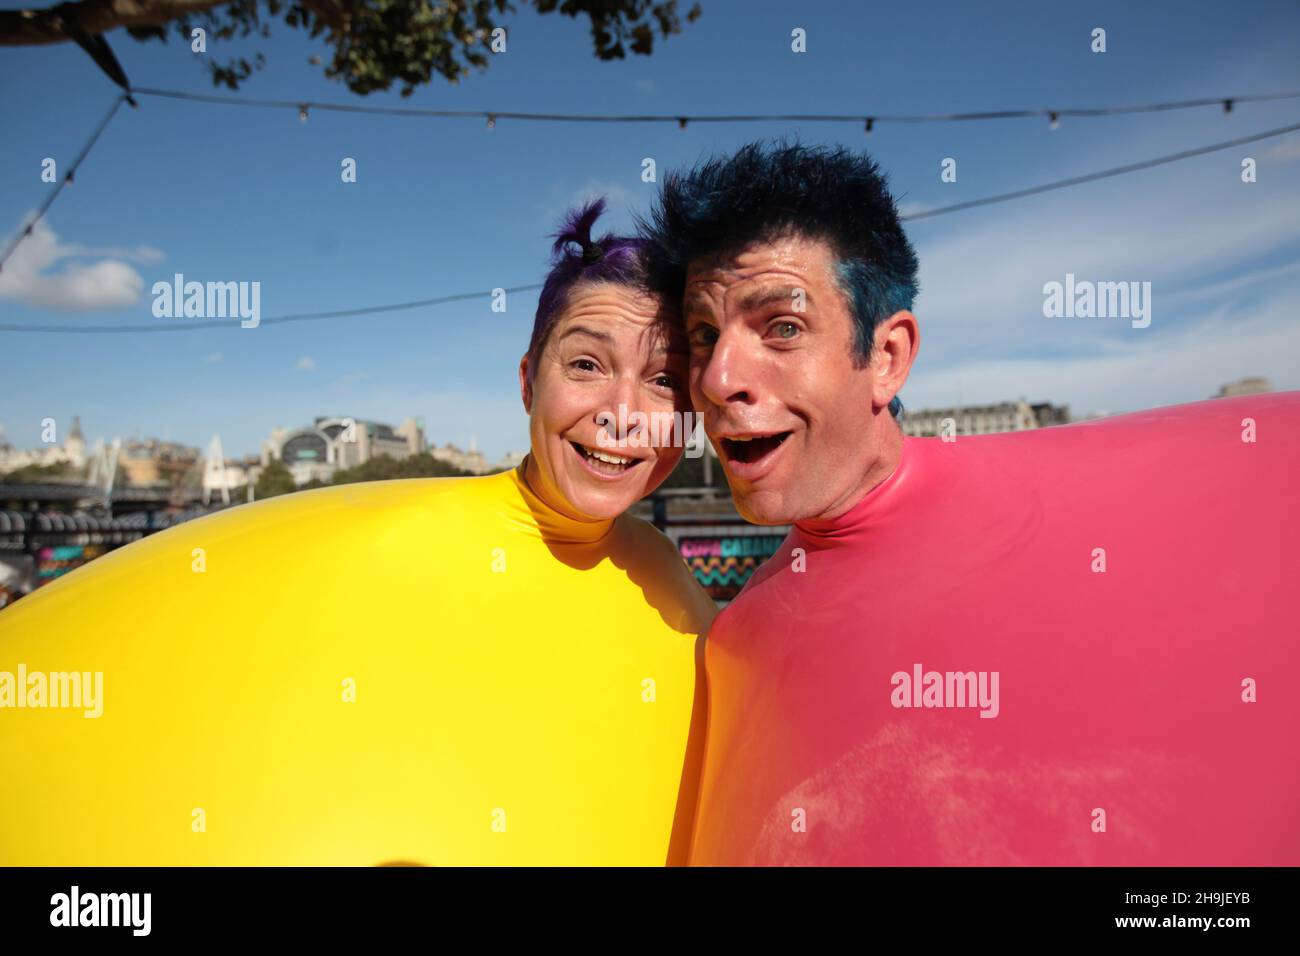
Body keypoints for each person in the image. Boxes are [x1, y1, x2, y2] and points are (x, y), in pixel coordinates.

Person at [639, 140, 1300, 865]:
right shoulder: (736, 646)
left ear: (886, 358)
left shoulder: (1145, 527)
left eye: (783, 328)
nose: (716, 376)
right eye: (704, 335)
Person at [0, 199, 715, 866]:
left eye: (663, 381)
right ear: (528, 381)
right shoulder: (386, 548)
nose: (623, 413)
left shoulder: (667, 575)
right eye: (586, 365)